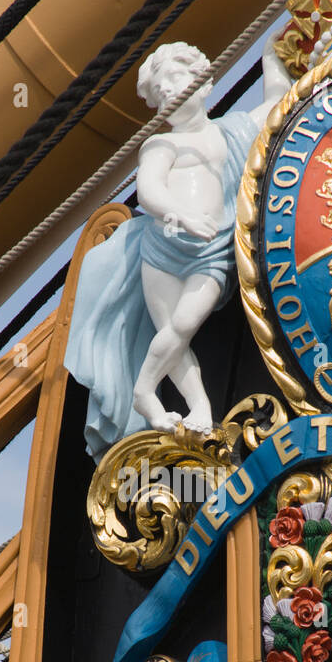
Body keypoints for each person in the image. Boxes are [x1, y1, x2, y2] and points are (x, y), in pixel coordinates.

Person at [64, 39, 291, 459]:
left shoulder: (229, 132)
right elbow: (148, 192)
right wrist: (181, 216)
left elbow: (275, 105)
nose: (170, 91)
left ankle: (144, 391)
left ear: (204, 82)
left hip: (212, 250)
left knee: (184, 324)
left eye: (177, 79)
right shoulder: (160, 145)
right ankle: (198, 406)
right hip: (163, 249)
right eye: (161, 89)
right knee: (175, 336)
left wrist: (272, 58)